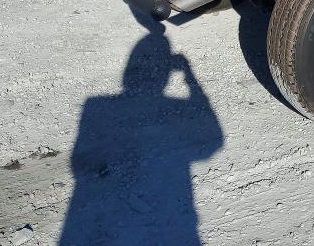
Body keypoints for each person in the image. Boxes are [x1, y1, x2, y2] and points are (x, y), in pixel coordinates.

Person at [59, 31, 223, 245]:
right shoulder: (97, 105)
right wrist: (189, 78)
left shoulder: (95, 105)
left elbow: (79, 162)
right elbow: (213, 140)